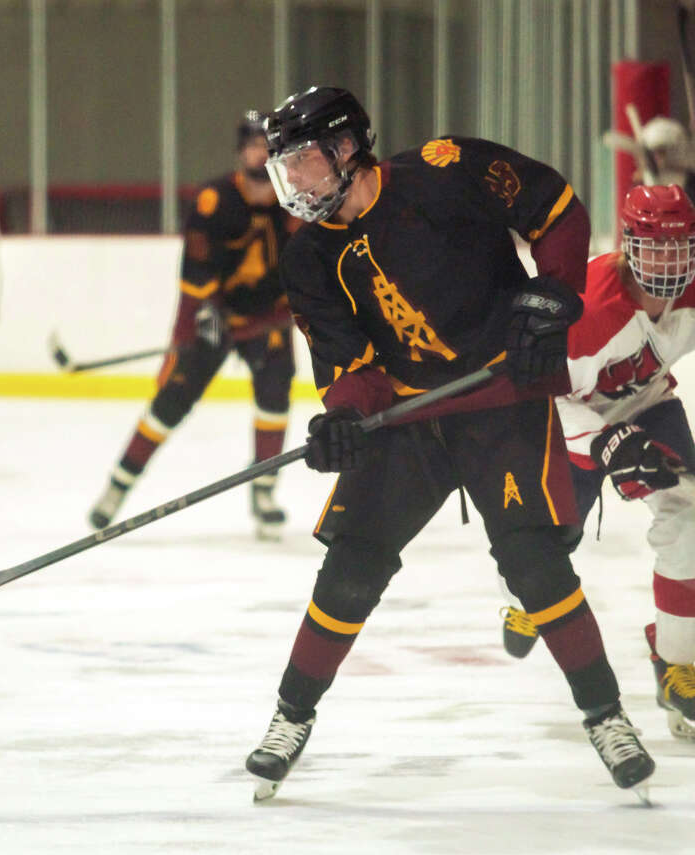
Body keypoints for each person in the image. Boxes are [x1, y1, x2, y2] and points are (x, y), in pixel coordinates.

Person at [244, 86, 655, 802]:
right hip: (411, 417)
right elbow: (352, 370)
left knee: (533, 563)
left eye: (304, 162)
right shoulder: (311, 258)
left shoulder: (448, 169)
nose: (294, 182)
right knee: (351, 568)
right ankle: (290, 716)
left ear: (346, 149)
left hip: (501, 400)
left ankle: (607, 716)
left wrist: (554, 294)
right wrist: (340, 416)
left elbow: (554, 207)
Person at [497, 184, 695, 744]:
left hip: (647, 403)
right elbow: (544, 394)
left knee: (689, 510)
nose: (668, 263)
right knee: (556, 534)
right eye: (654, 249)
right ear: (629, 246)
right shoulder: (589, 308)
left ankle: (677, 660)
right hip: (571, 415)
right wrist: (607, 443)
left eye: (680, 248)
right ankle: (523, 597)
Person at [88, 112, 300, 539]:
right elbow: (196, 271)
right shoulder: (214, 200)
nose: (259, 152)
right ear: (241, 151)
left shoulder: (295, 198)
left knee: (276, 392)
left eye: (266, 144)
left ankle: (264, 491)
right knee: (172, 400)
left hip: (264, 320)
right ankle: (118, 485)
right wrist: (206, 316)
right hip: (215, 316)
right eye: (252, 144)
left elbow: (305, 263)